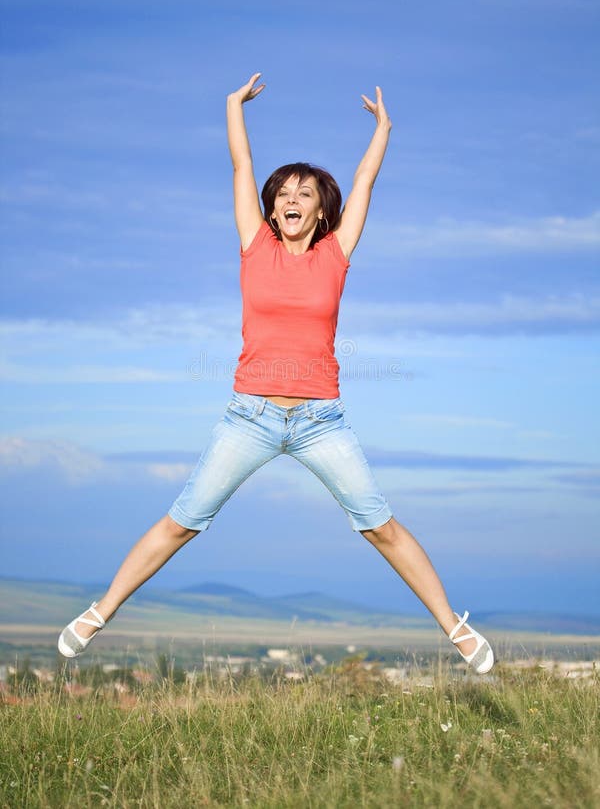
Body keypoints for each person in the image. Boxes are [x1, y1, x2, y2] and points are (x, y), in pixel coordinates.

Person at [58, 73, 494, 674]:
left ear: (321, 210)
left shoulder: (336, 254)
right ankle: (100, 611)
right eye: (283, 192)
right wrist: (233, 106)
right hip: (251, 416)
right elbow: (241, 166)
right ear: (272, 205)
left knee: (380, 527)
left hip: (320, 419)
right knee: (184, 521)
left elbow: (366, 180)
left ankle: (455, 628)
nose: (291, 199)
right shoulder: (253, 244)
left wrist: (384, 130)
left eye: (305, 194)